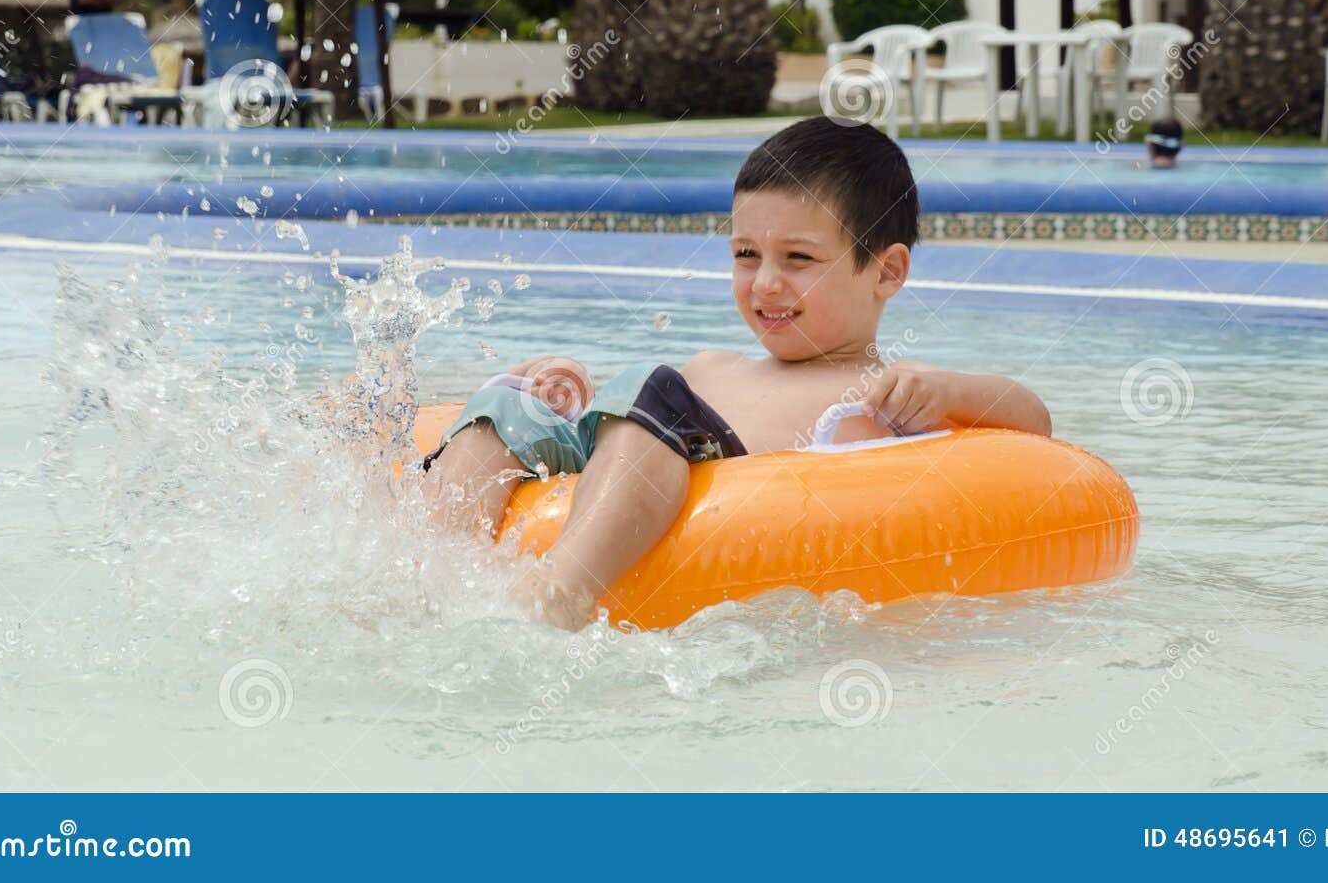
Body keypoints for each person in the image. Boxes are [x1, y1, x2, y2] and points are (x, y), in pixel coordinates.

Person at [422, 117, 1052, 628]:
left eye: (799, 258)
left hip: (699, 509)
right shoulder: (712, 368)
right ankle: (428, 576)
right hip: (628, 468)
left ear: (886, 272)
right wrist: (561, 396)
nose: (766, 282)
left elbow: (1034, 425)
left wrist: (949, 390)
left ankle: (564, 589)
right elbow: (612, 435)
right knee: (509, 405)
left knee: (654, 391)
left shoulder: (882, 392)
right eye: (746, 255)